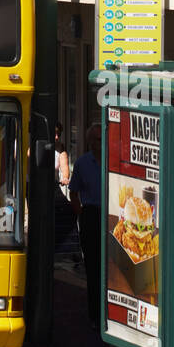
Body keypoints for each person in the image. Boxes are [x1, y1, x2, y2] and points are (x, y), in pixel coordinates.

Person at [69, 123, 102, 329]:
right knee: (93, 267)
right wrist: (81, 213)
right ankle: (95, 315)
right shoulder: (82, 163)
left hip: (113, 216)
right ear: (90, 141)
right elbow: (73, 192)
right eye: (98, 139)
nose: (101, 142)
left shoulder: (113, 160)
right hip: (91, 214)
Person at [54, 123, 70, 197]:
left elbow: (65, 166)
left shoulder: (60, 147)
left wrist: (65, 178)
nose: (57, 137)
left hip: (53, 187)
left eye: (58, 134)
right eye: (54, 133)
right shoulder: (34, 146)